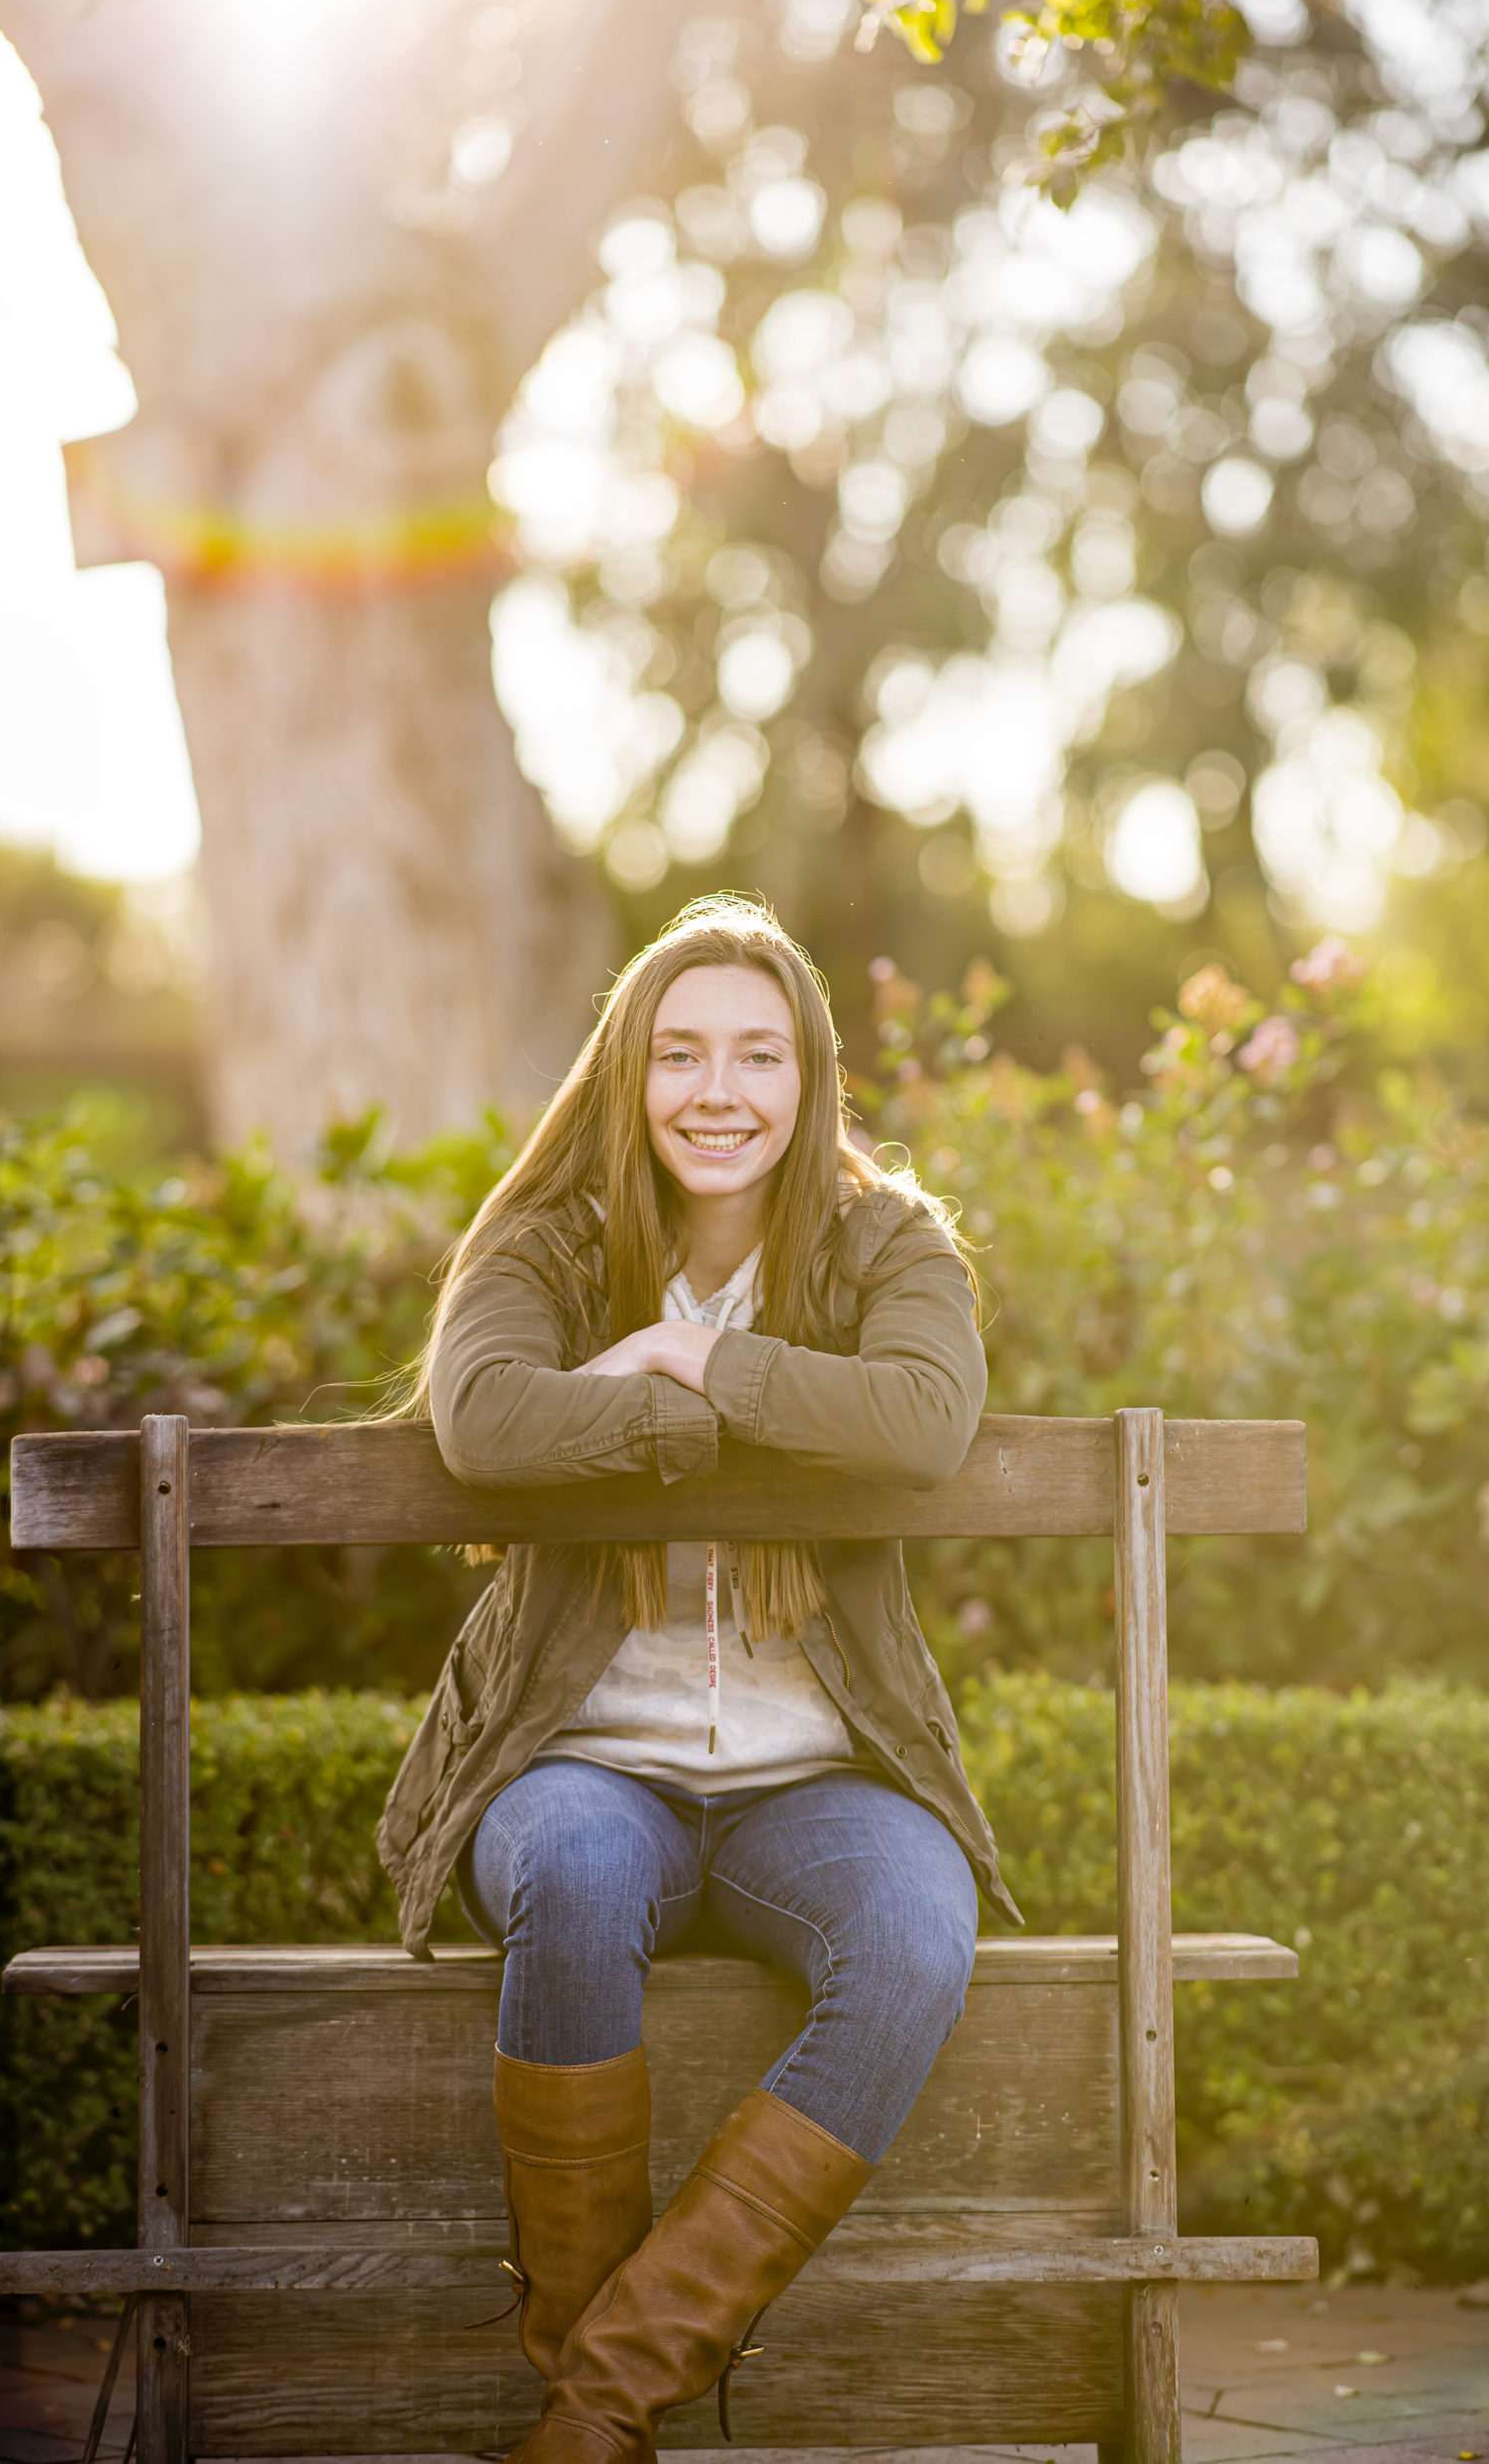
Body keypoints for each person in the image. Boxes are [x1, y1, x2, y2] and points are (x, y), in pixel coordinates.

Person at [377, 897, 1018, 2464]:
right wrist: (705, 1435)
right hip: (583, 1763)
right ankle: (590, 2394)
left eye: (756, 1054)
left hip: (819, 1779)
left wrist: (684, 1364)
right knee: (579, 1876)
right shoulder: (550, 1242)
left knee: (916, 1932)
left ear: (810, 1081)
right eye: (677, 1054)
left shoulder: (889, 1244)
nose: (714, 1091)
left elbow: (927, 1419)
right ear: (628, 1071)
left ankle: (598, 2411)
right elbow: (483, 1422)